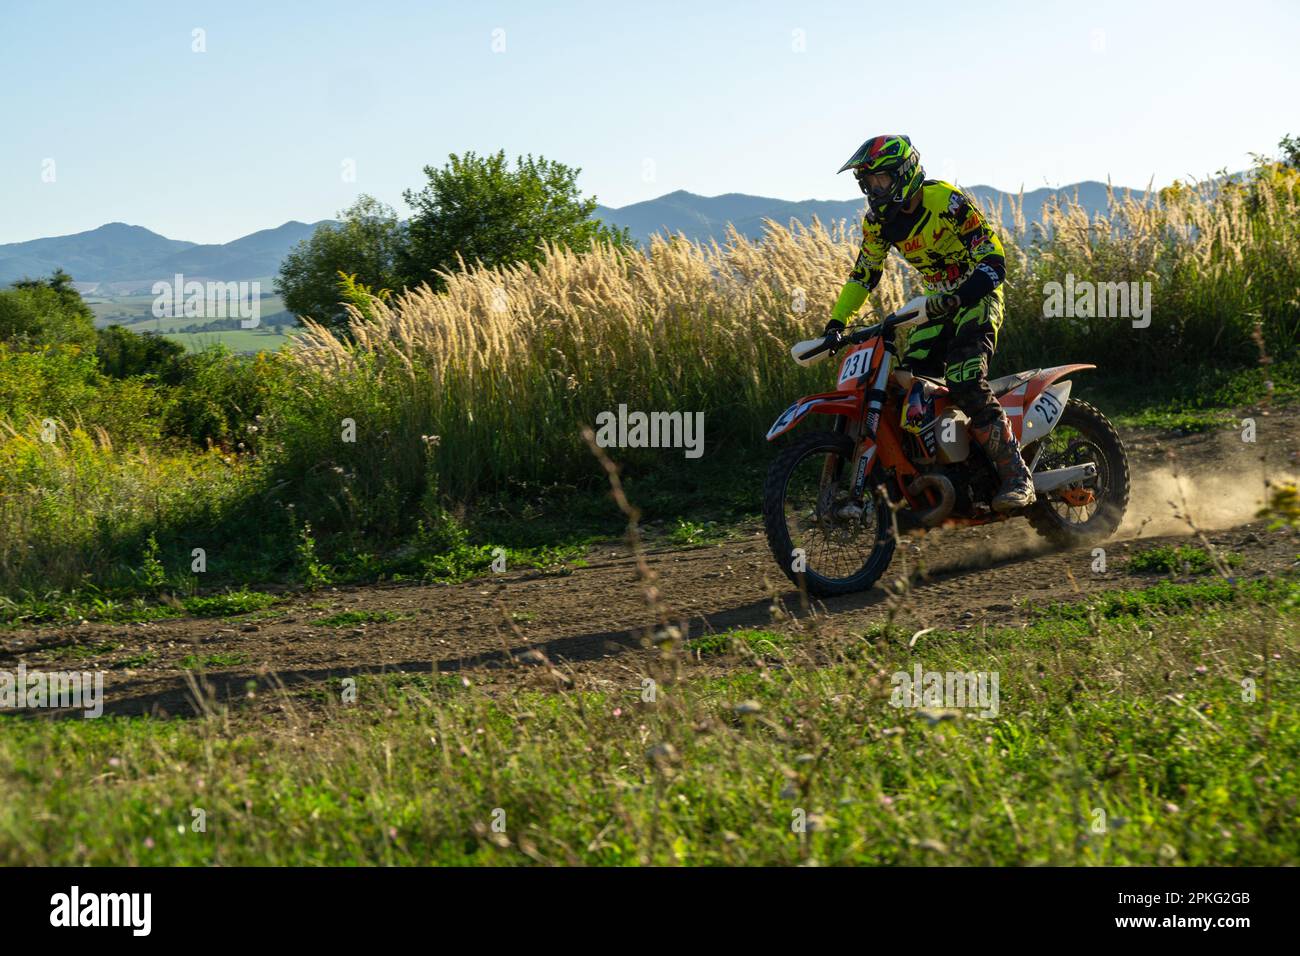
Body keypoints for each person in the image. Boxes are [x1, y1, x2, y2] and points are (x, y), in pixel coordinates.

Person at [824, 134, 1035, 512]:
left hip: (977, 298)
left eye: (881, 180)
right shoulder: (877, 224)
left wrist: (959, 294)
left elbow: (994, 260)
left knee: (966, 378)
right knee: (906, 389)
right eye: (868, 184)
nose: (874, 190)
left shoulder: (946, 201)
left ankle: (1017, 475)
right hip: (936, 309)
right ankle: (934, 478)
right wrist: (836, 321)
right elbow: (863, 275)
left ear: (904, 173)